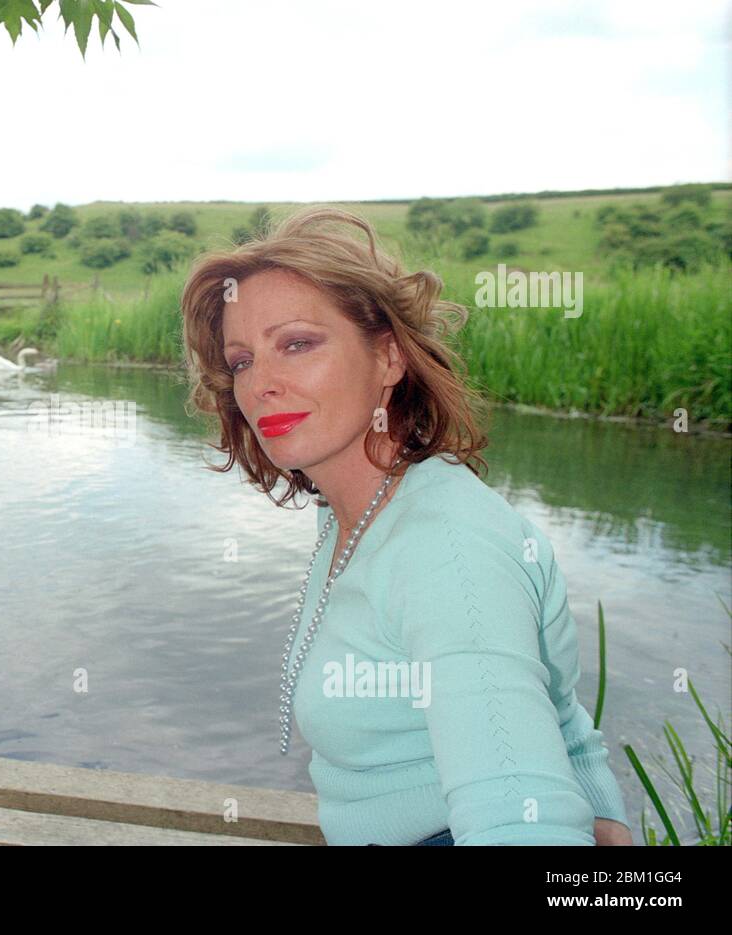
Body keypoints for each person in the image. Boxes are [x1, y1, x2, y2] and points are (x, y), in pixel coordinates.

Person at [179, 206, 633, 845]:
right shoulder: (359, 511)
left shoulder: (444, 546)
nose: (262, 385)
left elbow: (521, 823)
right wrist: (603, 809)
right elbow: (552, 710)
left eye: (298, 344)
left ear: (388, 358)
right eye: (243, 360)